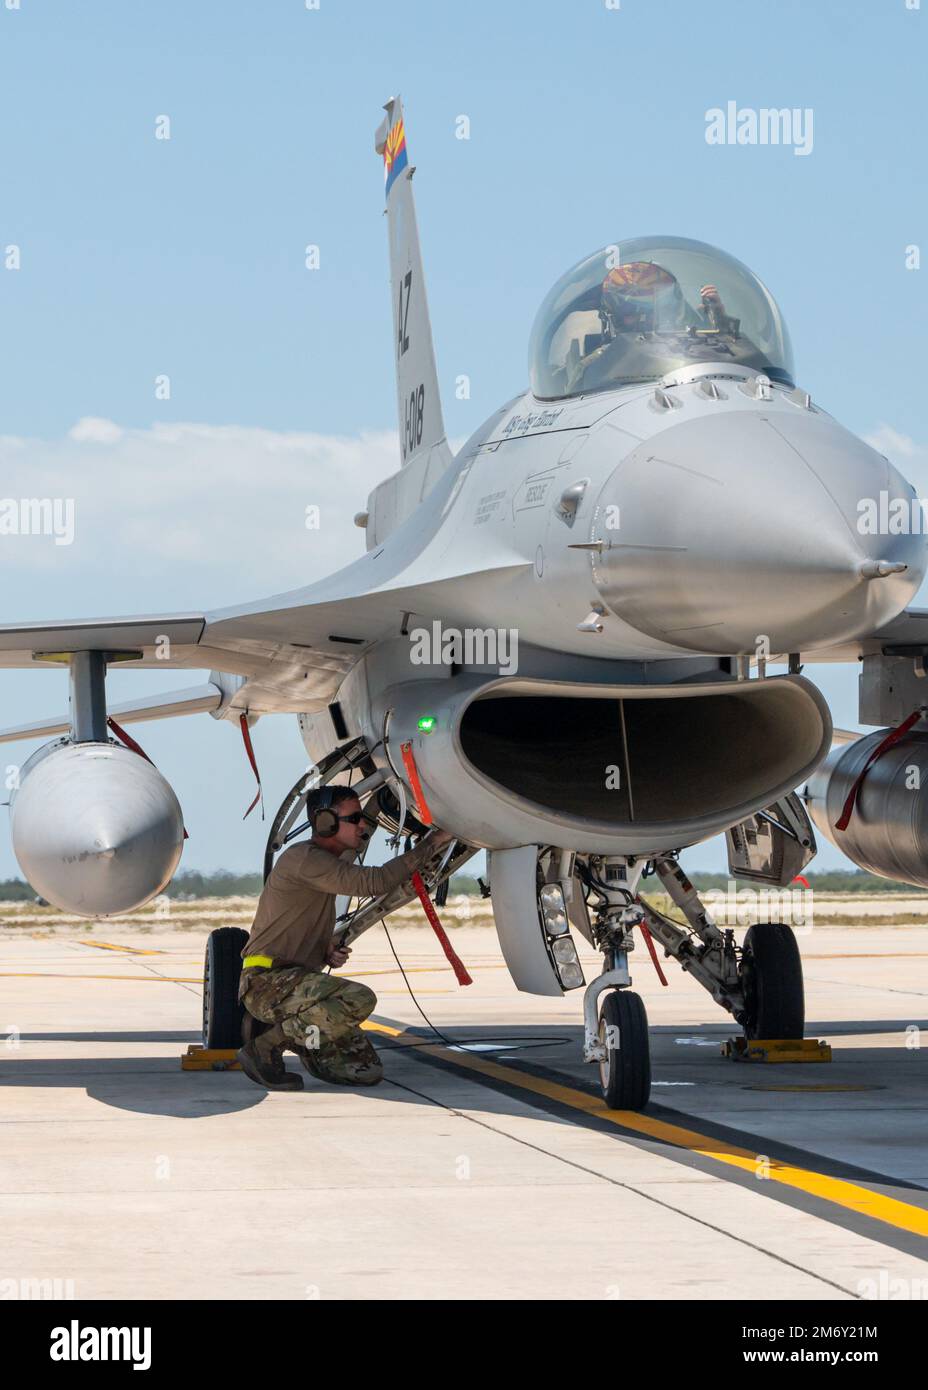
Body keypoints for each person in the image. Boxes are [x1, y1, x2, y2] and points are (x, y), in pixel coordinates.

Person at [236, 785, 451, 1091]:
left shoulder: (325, 865)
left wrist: (323, 948)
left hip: (295, 981)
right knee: (359, 998)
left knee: (365, 1071)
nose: (362, 825)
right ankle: (268, 1044)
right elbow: (375, 882)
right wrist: (432, 842)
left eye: (362, 818)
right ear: (326, 823)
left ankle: (305, 1038)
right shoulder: (305, 860)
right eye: (355, 819)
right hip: (267, 981)